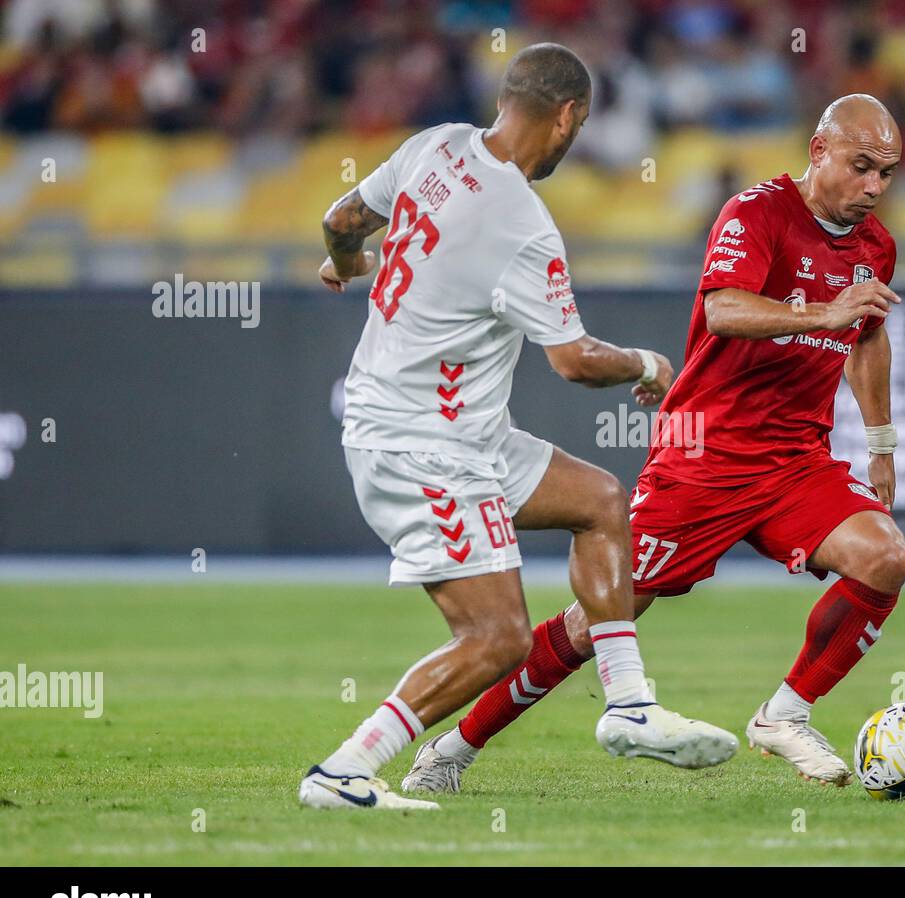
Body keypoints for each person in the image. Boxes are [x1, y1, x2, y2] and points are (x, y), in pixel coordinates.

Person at [404, 93, 905, 792]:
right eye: (862, 168)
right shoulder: (756, 213)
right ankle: (454, 748)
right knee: (594, 624)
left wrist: (880, 440)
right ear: (820, 151)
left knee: (884, 557)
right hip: (705, 457)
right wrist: (826, 311)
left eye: (887, 174)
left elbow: (869, 335)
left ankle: (785, 716)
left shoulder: (876, 245)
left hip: (797, 462)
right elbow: (723, 309)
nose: (875, 189)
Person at [300, 42, 737, 811]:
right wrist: (647, 364)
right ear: (568, 117)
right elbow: (573, 360)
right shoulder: (522, 223)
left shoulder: (432, 145)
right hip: (417, 446)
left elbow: (342, 220)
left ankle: (629, 706)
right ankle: (344, 770)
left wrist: (347, 261)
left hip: (458, 433)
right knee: (497, 639)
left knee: (601, 501)